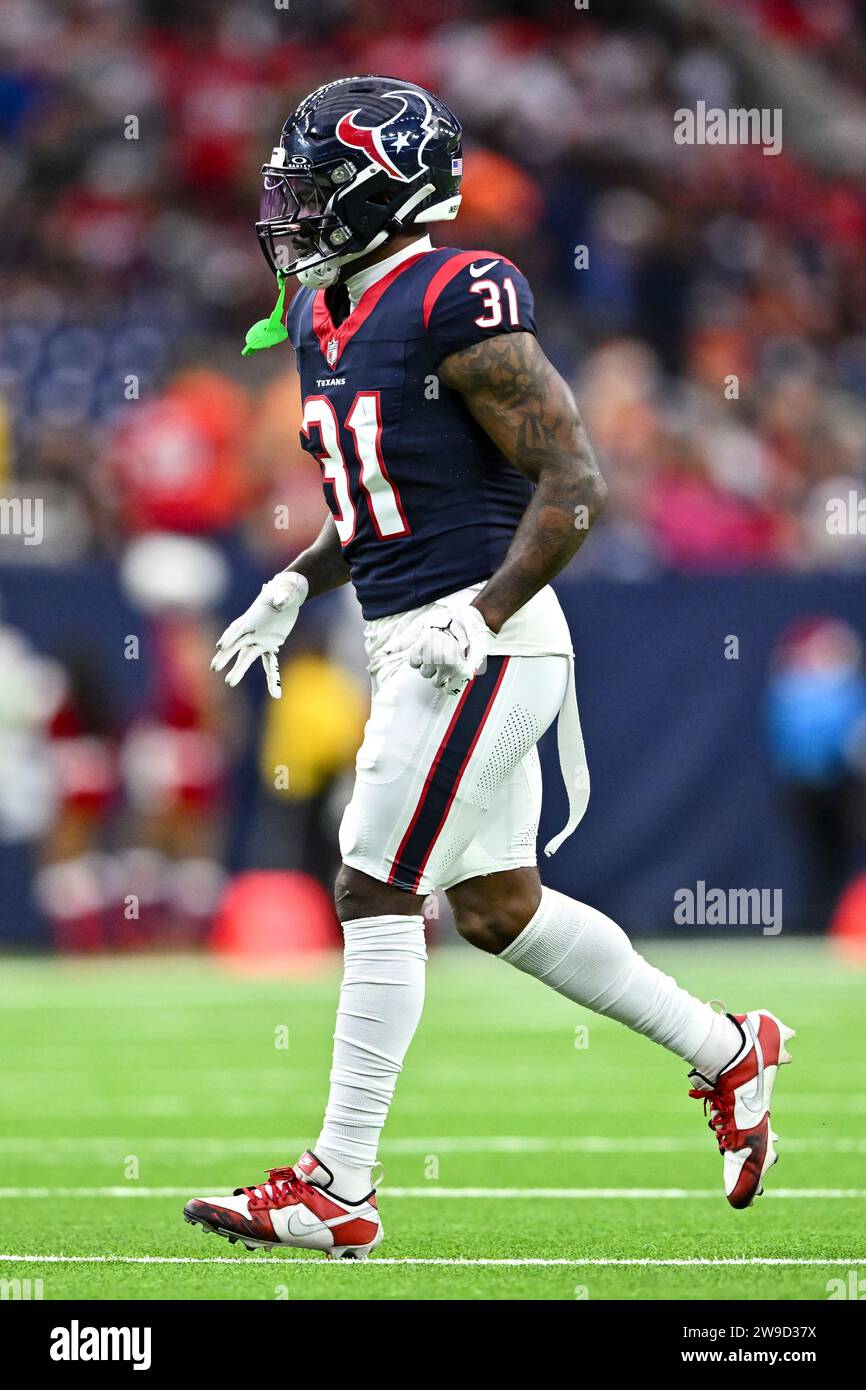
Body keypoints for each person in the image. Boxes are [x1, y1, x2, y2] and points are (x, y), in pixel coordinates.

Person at [183, 76, 793, 1258]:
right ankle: (730, 1050)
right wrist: (295, 581)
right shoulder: (324, 315)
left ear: (383, 189)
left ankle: (336, 1183)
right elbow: (379, 502)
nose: (291, 211)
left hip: (480, 639)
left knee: (370, 883)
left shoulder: (458, 292)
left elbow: (574, 484)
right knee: (496, 910)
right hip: (418, 631)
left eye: (316, 188)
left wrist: (485, 609)